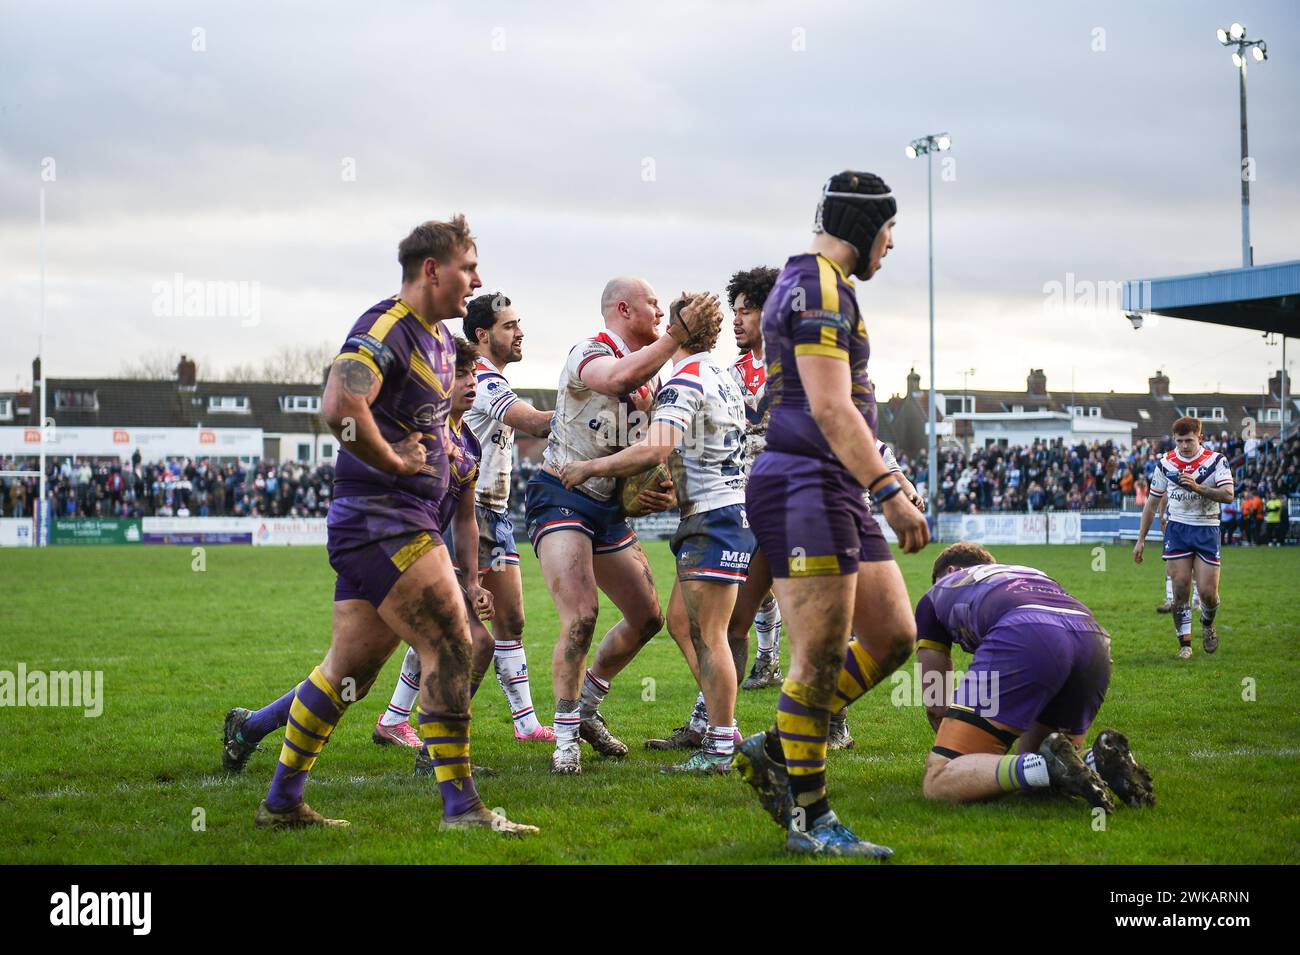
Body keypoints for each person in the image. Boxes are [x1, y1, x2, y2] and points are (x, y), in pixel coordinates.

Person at [223, 215, 535, 834]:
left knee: (348, 674)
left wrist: (438, 455)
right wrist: (394, 459)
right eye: (468, 267)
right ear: (431, 269)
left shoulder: (443, 342)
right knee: (456, 642)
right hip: (382, 520)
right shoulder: (385, 326)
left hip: (400, 520)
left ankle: (282, 802)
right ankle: (463, 810)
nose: (476, 278)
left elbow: (426, 432)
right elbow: (339, 409)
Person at [732, 171, 929, 857]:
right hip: (806, 483)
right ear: (864, 226)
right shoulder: (817, 284)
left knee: (895, 633)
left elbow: (843, 407)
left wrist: (882, 475)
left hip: (832, 480)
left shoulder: (822, 282)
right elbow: (829, 406)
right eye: (889, 230)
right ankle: (810, 819)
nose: (892, 244)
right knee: (816, 656)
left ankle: (779, 745)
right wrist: (889, 489)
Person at [525, 276, 722, 774]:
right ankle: (565, 737)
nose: (661, 310)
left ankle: (587, 709)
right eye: (653, 303)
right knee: (582, 614)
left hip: (606, 504)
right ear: (623, 308)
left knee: (647, 616)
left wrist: (658, 491)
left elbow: (655, 450)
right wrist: (676, 336)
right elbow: (614, 380)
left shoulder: (655, 376)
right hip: (563, 495)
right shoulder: (590, 350)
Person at [562, 292, 751, 774]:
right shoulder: (725, 376)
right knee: (685, 626)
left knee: (709, 635)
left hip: (712, 517)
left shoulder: (686, 378)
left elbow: (653, 450)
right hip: (726, 512)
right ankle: (723, 734)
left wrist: (592, 467)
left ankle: (721, 746)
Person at [644, 266, 785, 753]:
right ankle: (712, 725)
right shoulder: (728, 375)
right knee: (722, 626)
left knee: (811, 624)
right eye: (737, 310)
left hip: (792, 506)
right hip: (746, 504)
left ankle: (828, 722)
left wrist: (892, 476)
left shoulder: (804, 363)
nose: (740, 319)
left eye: (750, 309)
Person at [915, 543, 1154, 812]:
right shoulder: (1027, 573)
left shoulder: (938, 592)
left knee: (938, 780)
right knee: (1040, 769)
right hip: (1092, 639)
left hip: (1026, 633)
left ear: (951, 571)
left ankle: (1042, 764)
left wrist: (958, 749)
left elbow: (936, 701)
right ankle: (1096, 761)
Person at [373, 336, 499, 753]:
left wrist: (475, 581)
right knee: (471, 642)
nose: (470, 382)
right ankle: (436, 753)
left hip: (430, 554)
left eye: (473, 374)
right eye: (460, 374)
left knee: (350, 671)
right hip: (395, 551)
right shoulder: (420, 429)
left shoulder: (470, 444)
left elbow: (465, 519)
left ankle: (251, 727)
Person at [456, 291, 556, 742]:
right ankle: (411, 722)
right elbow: (536, 423)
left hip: (492, 515)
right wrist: (597, 408)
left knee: (508, 621)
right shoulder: (482, 380)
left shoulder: (489, 379)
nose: (520, 333)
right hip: (467, 515)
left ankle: (526, 724)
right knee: (463, 629)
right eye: (510, 326)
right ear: (483, 335)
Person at [1134, 416, 1233, 659]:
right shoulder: (1166, 463)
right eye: (1180, 441)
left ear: (1200, 437)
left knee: (1208, 593)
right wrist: (1141, 539)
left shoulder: (1216, 461)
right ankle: (1185, 645)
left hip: (1207, 528)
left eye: (1189, 440)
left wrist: (1199, 488)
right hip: (1178, 529)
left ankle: (1208, 623)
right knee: (1180, 588)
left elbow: (1229, 495)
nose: (1185, 446)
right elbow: (1151, 503)